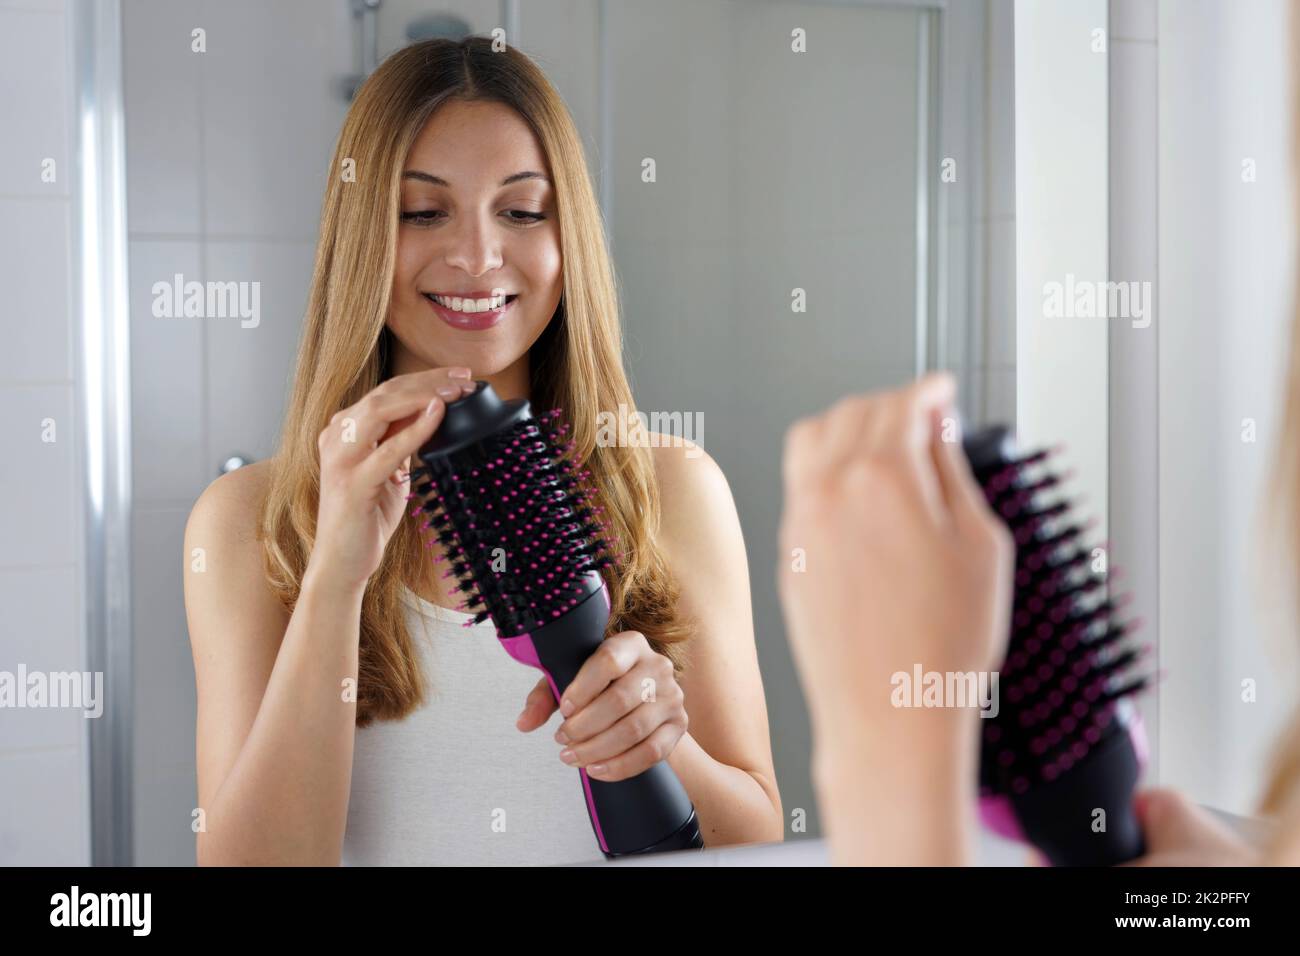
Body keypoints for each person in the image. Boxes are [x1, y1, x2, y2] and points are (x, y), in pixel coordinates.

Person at [183, 37, 782, 866]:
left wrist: (652, 737)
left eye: (522, 211)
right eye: (424, 212)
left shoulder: (674, 488)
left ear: (567, 236)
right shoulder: (251, 521)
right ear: (362, 238)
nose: (476, 256)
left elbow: (755, 837)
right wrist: (335, 578)